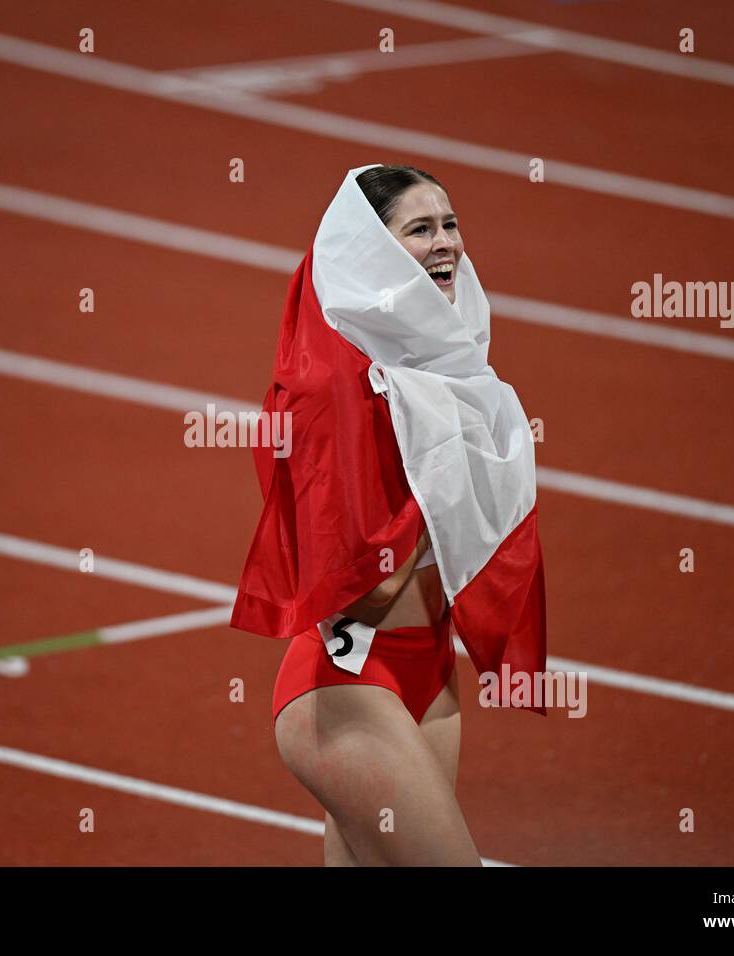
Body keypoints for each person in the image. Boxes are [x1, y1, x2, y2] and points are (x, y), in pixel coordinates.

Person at [230, 164, 547, 867]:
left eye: (451, 224)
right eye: (420, 230)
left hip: (429, 673)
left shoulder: (442, 364)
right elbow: (360, 585)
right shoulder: (335, 388)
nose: (447, 245)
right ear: (374, 250)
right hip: (347, 686)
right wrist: (440, 489)